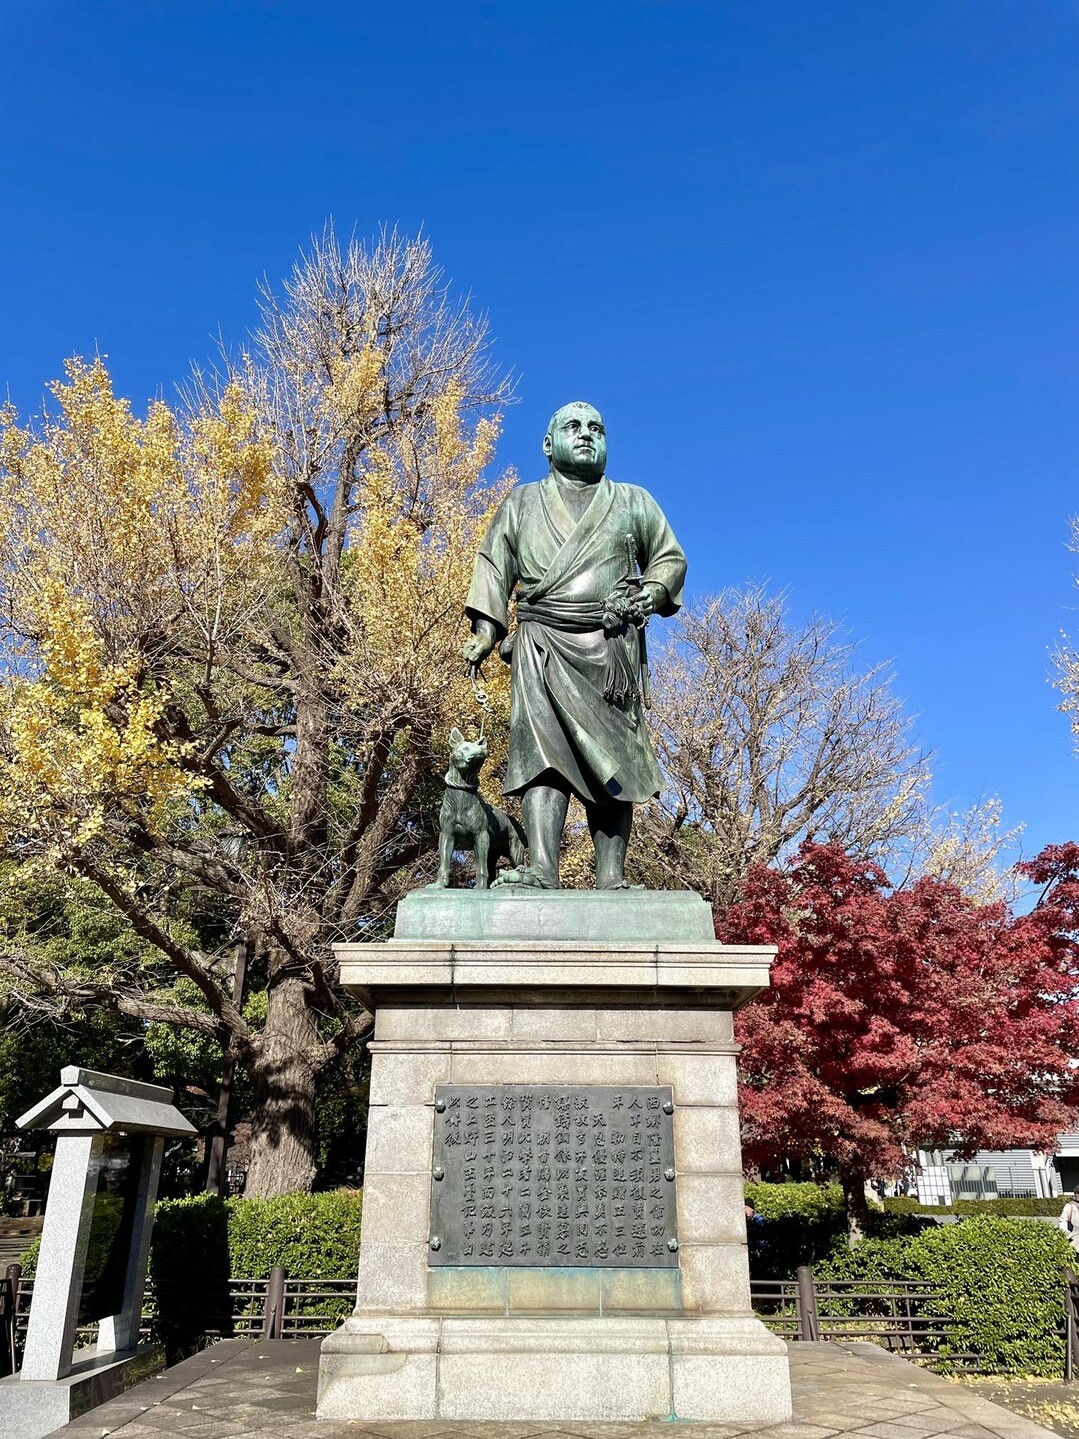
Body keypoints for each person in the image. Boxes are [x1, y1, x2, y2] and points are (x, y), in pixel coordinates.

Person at [461, 401, 686, 890]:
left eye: (597, 428)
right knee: (540, 753)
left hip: (610, 646)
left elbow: (670, 559)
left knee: (614, 756)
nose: (587, 435)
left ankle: (612, 875)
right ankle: (541, 866)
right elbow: (494, 565)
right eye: (573, 427)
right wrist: (486, 630)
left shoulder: (633, 501)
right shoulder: (520, 503)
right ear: (548, 444)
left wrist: (649, 592)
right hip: (541, 641)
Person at [1059, 1187, 1079, 1254]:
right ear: (1075, 1194)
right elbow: (1062, 1221)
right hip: (1075, 1238)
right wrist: (1067, 1235)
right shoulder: (1070, 1206)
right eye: (1078, 1192)